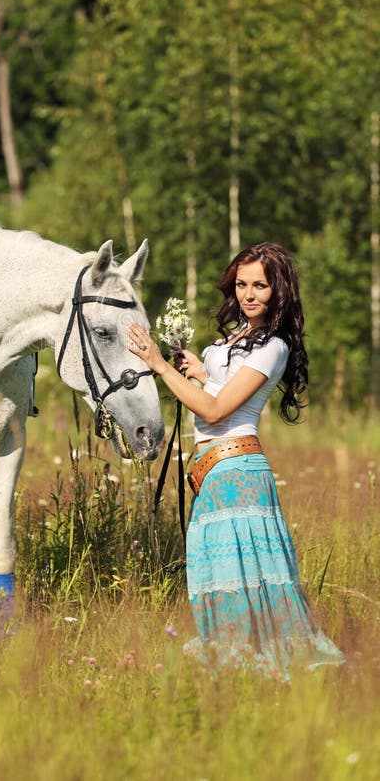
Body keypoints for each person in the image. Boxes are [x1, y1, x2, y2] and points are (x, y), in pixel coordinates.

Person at [127, 241, 344, 677]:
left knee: (247, 575)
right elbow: (218, 393)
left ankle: (261, 670)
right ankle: (238, 672)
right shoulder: (235, 340)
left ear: (278, 290)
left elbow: (214, 411)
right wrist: (201, 373)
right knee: (222, 576)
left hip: (237, 473)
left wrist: (161, 367)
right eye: (242, 284)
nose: (248, 294)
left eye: (260, 285)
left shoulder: (274, 346)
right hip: (214, 475)